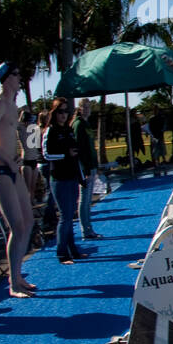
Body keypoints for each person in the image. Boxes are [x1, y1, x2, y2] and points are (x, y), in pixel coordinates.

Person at [0, 63, 38, 296]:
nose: (20, 79)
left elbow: (9, 135)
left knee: (28, 221)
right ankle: (13, 283)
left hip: (12, 167)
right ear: (7, 78)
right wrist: (7, 161)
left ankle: (18, 276)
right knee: (16, 226)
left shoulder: (12, 104)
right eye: (17, 75)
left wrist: (17, 155)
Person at [43, 97, 84, 265]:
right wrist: (65, 154)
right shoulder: (50, 131)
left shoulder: (68, 130)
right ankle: (62, 253)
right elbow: (46, 154)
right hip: (59, 179)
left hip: (71, 177)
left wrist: (81, 176)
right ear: (54, 112)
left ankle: (73, 250)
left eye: (66, 111)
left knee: (70, 216)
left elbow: (75, 154)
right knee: (64, 217)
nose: (63, 115)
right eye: (60, 111)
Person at [72, 99, 103, 239]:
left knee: (88, 200)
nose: (86, 109)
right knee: (84, 200)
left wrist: (95, 165)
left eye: (88, 107)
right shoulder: (79, 124)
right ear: (79, 108)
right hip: (85, 168)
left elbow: (90, 147)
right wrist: (84, 169)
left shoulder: (85, 124)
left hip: (90, 166)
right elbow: (80, 149)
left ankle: (88, 228)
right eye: (83, 107)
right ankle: (86, 229)